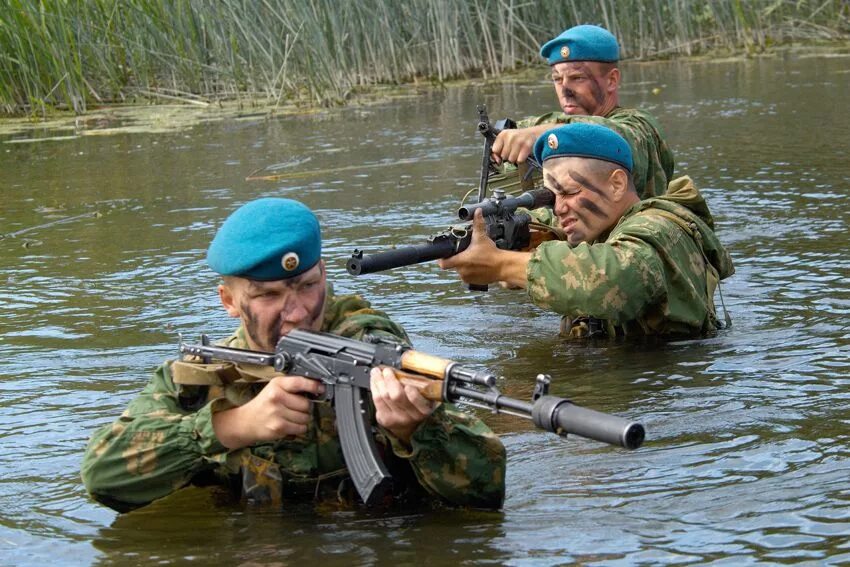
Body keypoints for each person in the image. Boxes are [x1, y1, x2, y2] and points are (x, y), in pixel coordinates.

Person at [81, 198, 506, 512]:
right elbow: (102, 477)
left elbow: (489, 492)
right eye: (269, 295)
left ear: (323, 272)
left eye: (307, 285)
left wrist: (418, 431)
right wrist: (229, 428)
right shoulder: (206, 377)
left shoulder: (368, 344)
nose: (298, 312)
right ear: (228, 300)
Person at [440, 123, 734, 339]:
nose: (559, 208)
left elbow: (614, 278)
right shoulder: (597, 227)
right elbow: (541, 218)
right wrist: (498, 235)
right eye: (552, 195)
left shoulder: (659, 227)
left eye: (569, 192)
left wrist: (503, 265)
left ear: (617, 184)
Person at [492, 24, 675, 199]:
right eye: (557, 79)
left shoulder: (641, 128)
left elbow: (615, 137)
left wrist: (548, 135)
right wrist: (503, 145)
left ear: (611, 80)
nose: (565, 91)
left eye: (577, 78)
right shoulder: (552, 123)